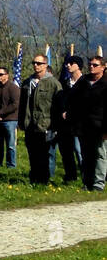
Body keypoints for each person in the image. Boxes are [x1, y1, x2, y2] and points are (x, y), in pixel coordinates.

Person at [18, 52, 60, 185]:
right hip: (29, 124)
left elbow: (58, 105)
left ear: (46, 65)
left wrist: (56, 125)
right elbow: (22, 104)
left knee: (44, 154)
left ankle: (43, 180)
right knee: (32, 153)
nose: (36, 65)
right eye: (34, 63)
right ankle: (34, 178)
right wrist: (21, 121)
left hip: (45, 124)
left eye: (39, 63)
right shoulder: (27, 83)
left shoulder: (53, 83)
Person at [54, 56, 85, 184]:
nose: (68, 65)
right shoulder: (64, 83)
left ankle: (86, 176)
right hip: (65, 125)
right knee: (66, 151)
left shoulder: (85, 83)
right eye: (67, 63)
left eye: (71, 63)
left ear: (78, 65)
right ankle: (70, 176)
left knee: (80, 151)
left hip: (80, 124)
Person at [80, 55, 106, 191]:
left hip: (100, 126)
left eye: (95, 65)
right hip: (85, 126)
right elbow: (74, 99)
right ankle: (87, 182)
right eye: (90, 64)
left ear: (103, 67)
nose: (91, 67)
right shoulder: (83, 81)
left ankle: (98, 183)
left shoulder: (105, 84)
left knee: (100, 155)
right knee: (86, 155)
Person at [0, 65, 20, 169]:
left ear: (7, 75)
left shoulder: (13, 88)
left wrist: (0, 113)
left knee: (10, 145)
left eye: (1, 74)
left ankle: (11, 165)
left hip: (9, 120)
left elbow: (15, 105)